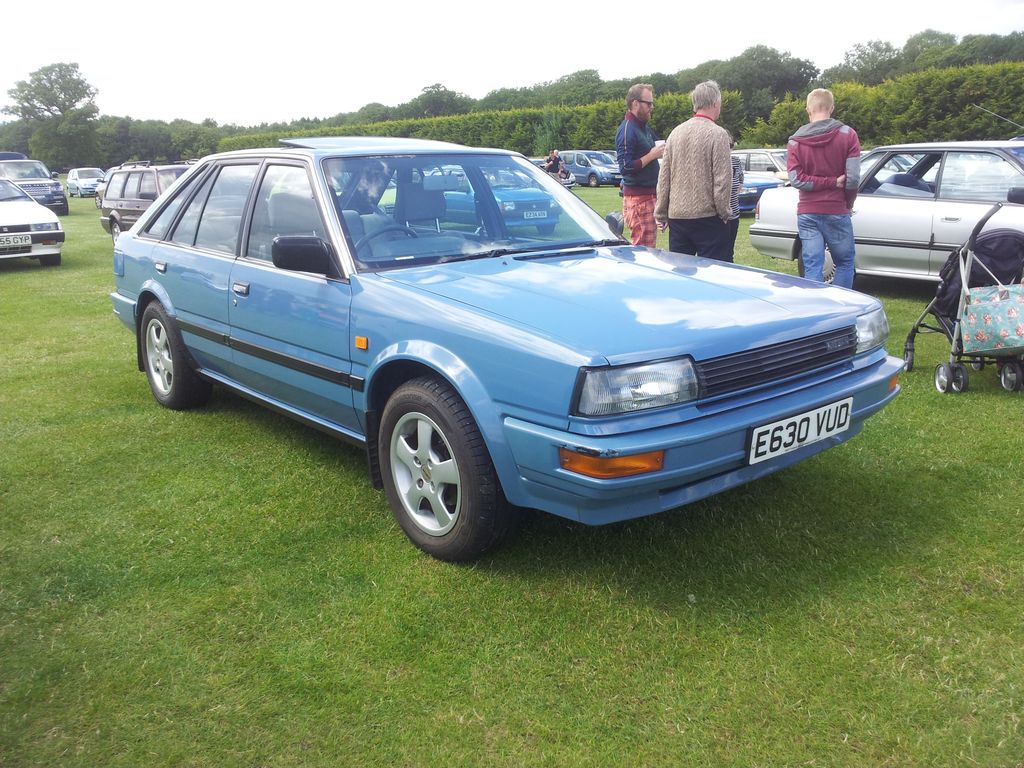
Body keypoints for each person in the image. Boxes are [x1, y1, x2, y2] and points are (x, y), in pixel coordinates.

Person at [787, 88, 861, 289]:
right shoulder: (848, 135)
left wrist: (823, 182)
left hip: (808, 212)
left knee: (813, 266)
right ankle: (840, 311)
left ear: (808, 110)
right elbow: (853, 179)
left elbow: (796, 180)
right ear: (832, 108)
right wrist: (846, 200)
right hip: (837, 209)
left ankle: (816, 310)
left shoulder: (795, 141)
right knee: (845, 263)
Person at [654, 80, 734, 261]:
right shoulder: (718, 134)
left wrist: (661, 212)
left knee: (682, 276)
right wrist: (724, 212)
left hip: (678, 218)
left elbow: (664, 177)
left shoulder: (675, 133)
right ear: (715, 103)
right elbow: (722, 180)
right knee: (714, 273)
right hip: (709, 217)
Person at [615, 84, 665, 247]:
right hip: (638, 201)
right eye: (648, 103)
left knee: (648, 249)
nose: (652, 107)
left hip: (648, 197)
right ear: (635, 103)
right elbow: (626, 167)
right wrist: (652, 155)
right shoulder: (627, 129)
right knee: (644, 252)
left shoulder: (643, 128)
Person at [728, 138, 743, 260]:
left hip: (733, 213)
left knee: (729, 251)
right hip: (717, 216)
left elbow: (740, 179)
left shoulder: (735, 161)